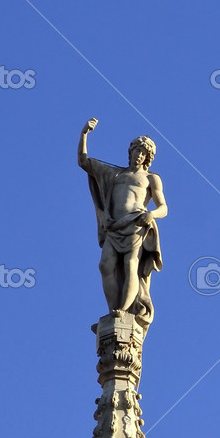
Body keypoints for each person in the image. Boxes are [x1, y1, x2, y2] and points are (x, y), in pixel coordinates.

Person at [78, 118, 168, 322]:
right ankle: (114, 311)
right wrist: (84, 134)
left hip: (136, 224)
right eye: (137, 151)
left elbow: (163, 207)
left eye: (143, 153)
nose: (139, 155)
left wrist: (151, 214)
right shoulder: (115, 174)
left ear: (147, 158)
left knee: (131, 265)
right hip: (114, 227)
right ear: (131, 152)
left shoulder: (151, 178)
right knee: (105, 265)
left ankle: (123, 310)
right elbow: (83, 162)